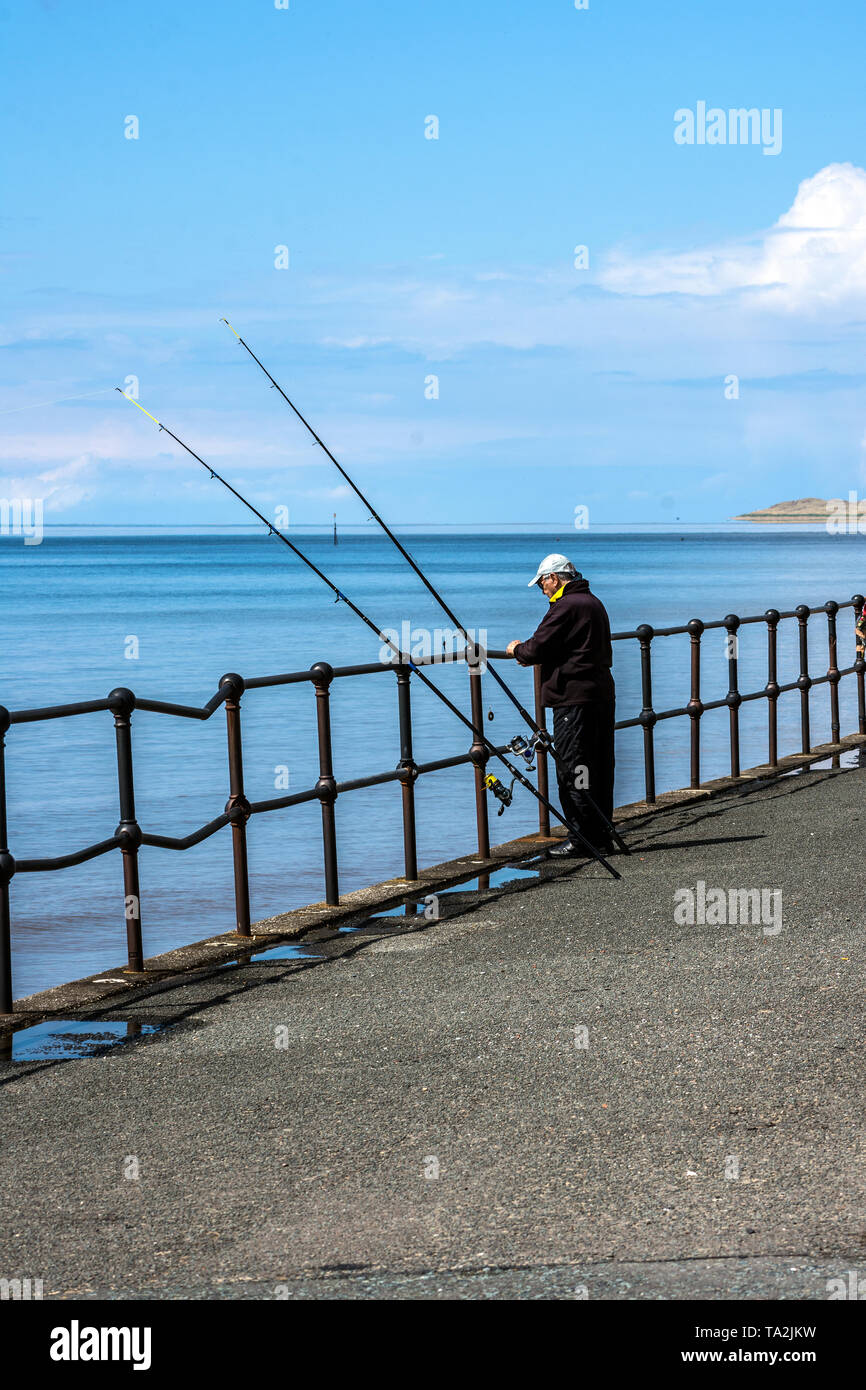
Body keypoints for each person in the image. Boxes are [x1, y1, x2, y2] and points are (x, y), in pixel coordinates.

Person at [507, 553, 616, 858]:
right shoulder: (593, 602)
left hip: (573, 700)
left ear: (553, 578)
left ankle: (581, 838)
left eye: (542, 583)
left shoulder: (565, 606)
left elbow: (538, 646)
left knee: (573, 767)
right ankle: (602, 832)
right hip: (601, 695)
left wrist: (518, 649)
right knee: (599, 766)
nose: (542, 589)